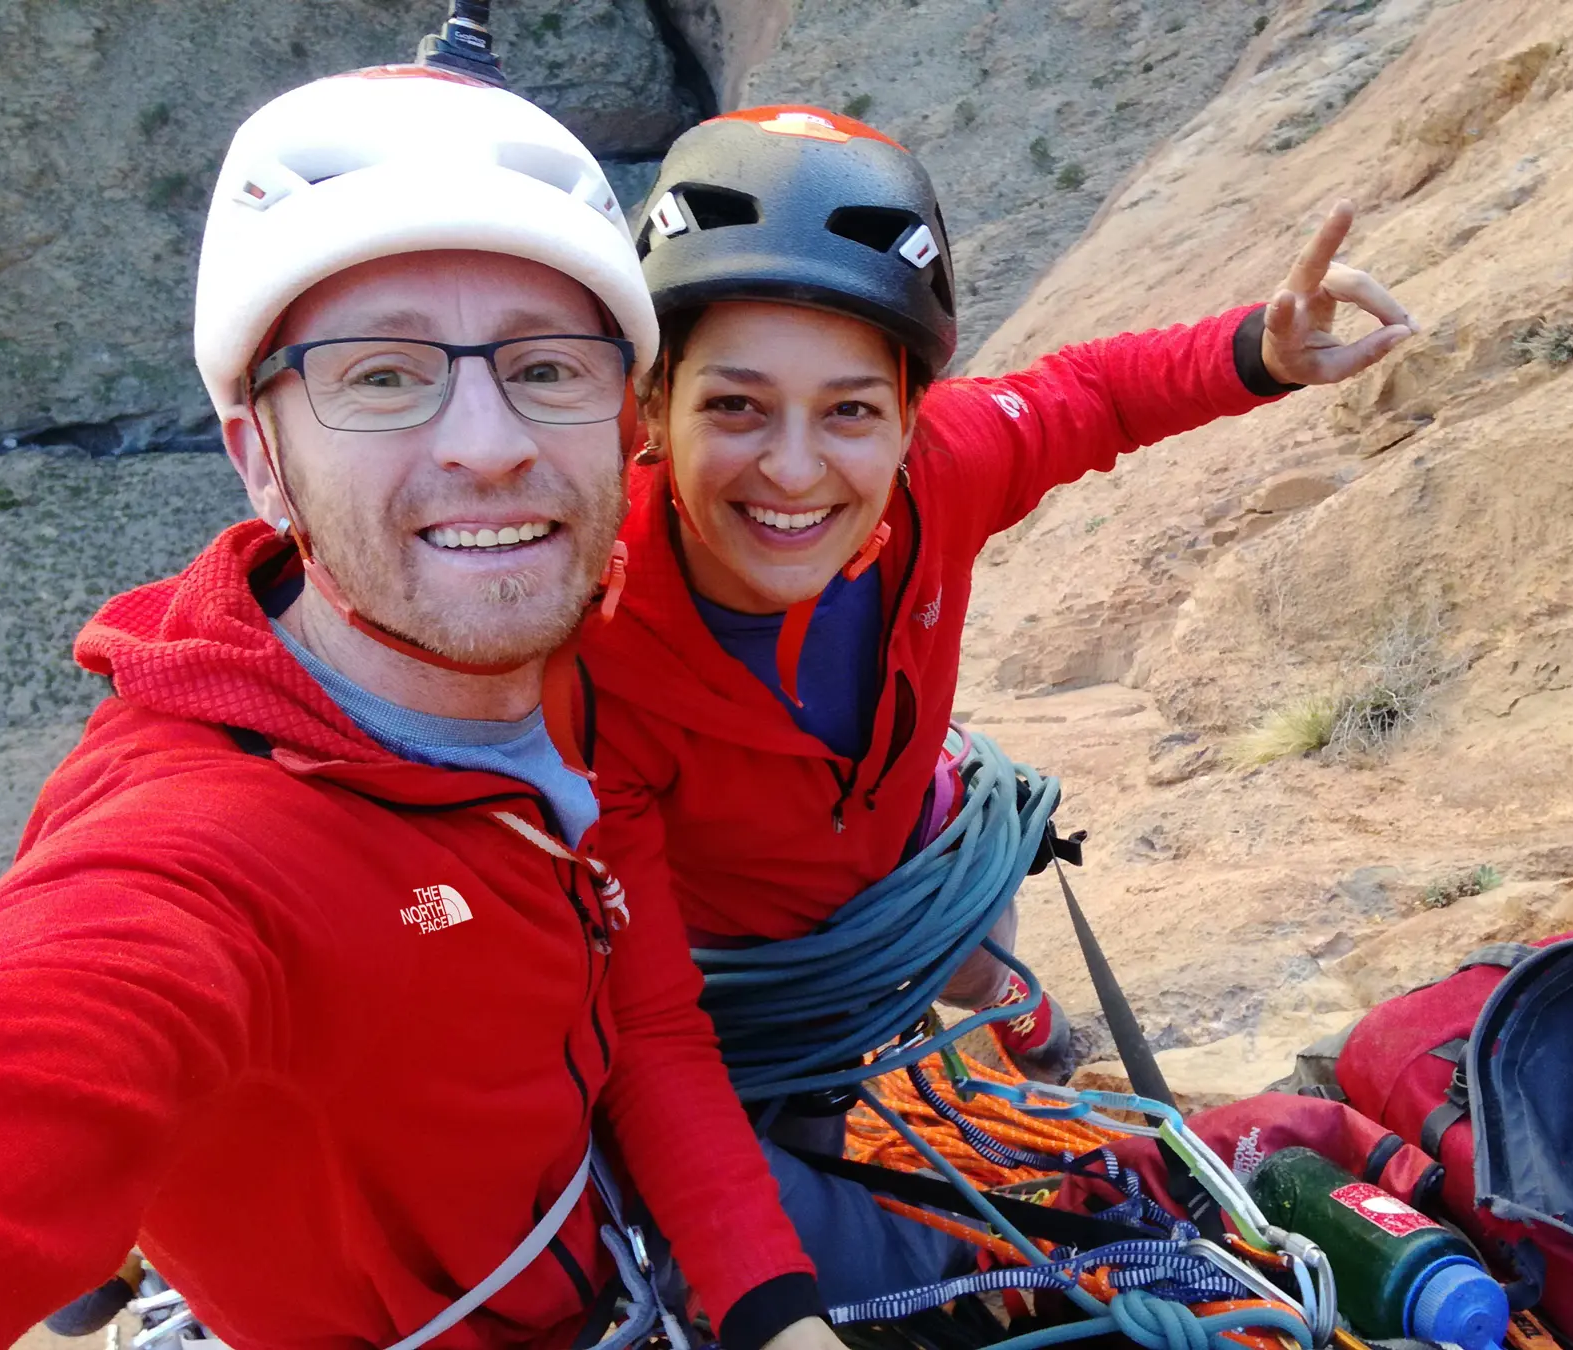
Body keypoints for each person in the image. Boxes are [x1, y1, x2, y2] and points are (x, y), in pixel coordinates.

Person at [0, 68, 845, 1350]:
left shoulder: (564, 661)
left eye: (547, 367)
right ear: (258, 455)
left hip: (612, 1248)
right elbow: (64, 1028)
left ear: (622, 422)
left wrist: (776, 1314)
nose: (488, 443)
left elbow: (648, 1018)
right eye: (382, 376)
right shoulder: (200, 850)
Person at [578, 105, 1417, 1296]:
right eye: (735, 405)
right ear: (649, 412)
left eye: (851, 409)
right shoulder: (592, 647)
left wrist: (1257, 355)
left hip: (910, 842)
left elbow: (1092, 397)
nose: (797, 466)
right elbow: (652, 1030)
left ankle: (1007, 1008)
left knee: (963, 950)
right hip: (752, 962)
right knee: (801, 1141)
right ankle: (955, 1020)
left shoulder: (943, 475)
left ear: (910, 414)